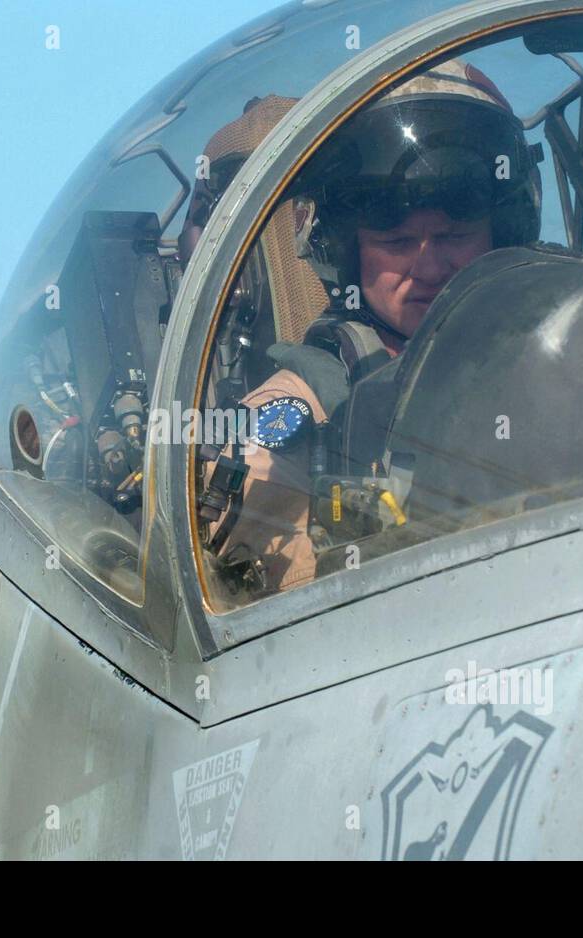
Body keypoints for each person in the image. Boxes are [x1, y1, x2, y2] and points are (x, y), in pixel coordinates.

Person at [202, 58, 542, 598]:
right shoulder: (296, 424)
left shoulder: (554, 367)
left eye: (455, 235)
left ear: (502, 234)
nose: (430, 269)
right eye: (397, 243)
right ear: (345, 252)